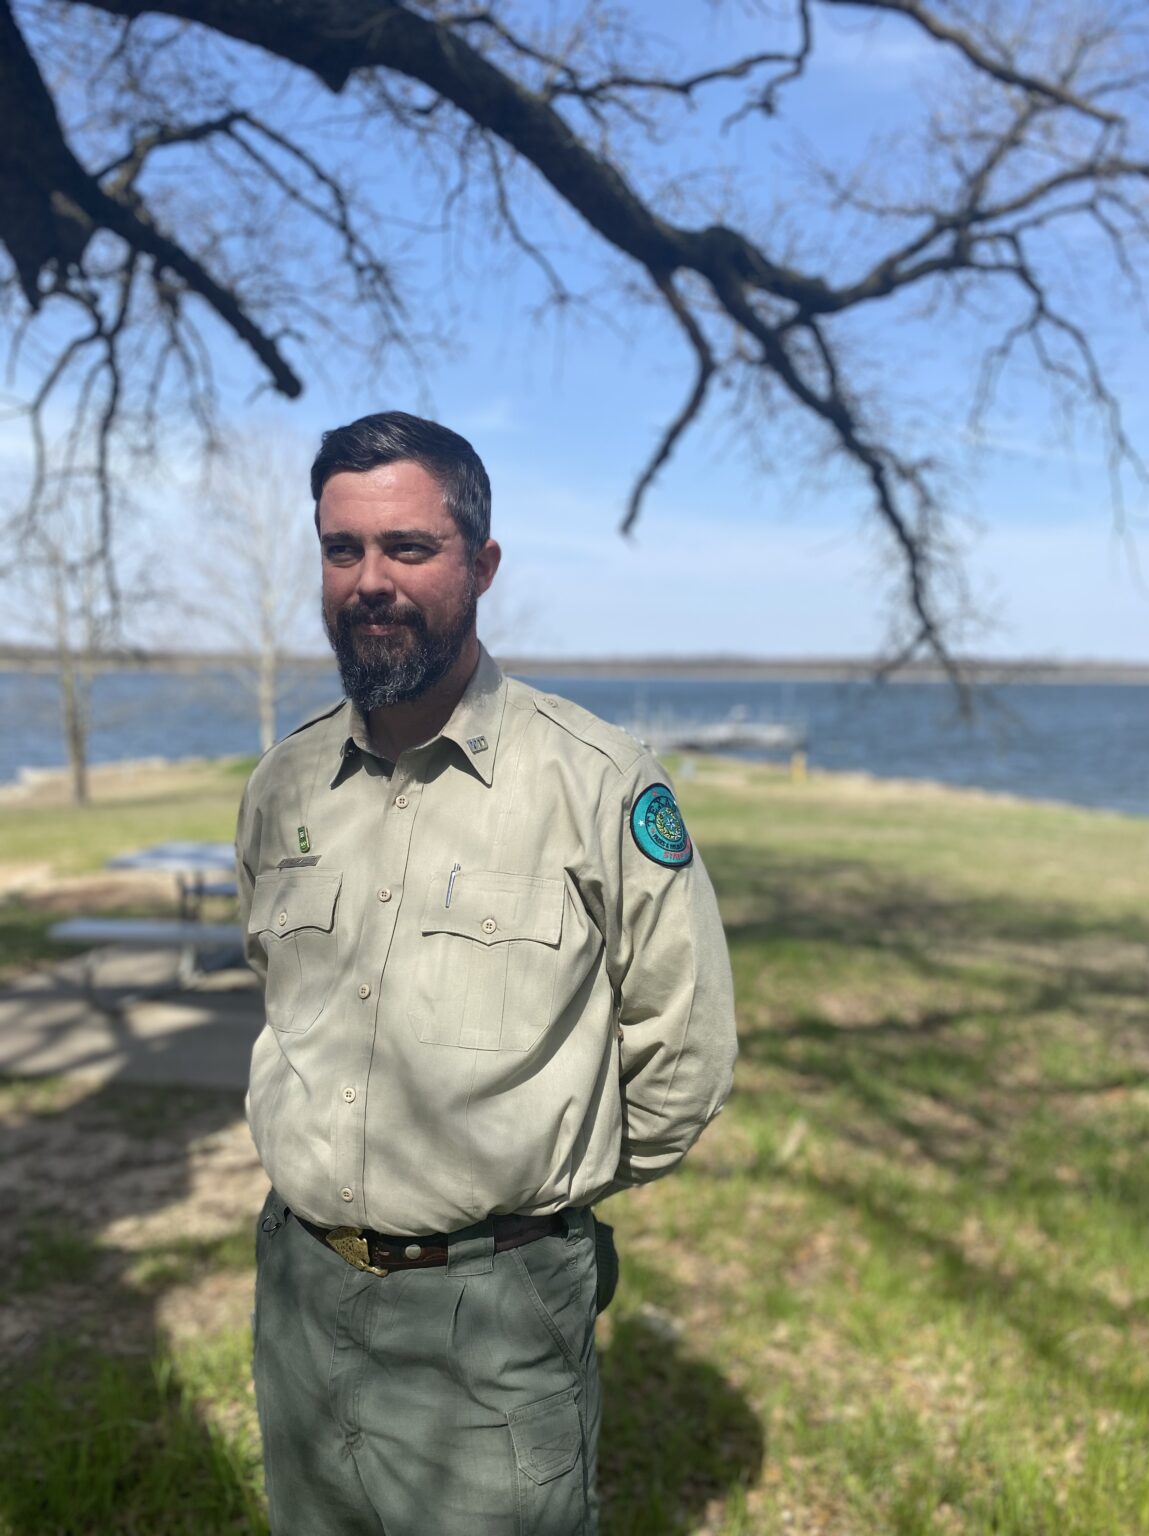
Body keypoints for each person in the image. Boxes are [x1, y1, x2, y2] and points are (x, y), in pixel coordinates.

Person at [236, 410, 737, 1535]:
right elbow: (276, 997)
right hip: (300, 1294)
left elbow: (686, 1053)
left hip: (494, 1315)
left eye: (408, 548)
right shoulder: (281, 787)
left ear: (481, 563)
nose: (371, 580)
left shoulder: (597, 784)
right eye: (342, 549)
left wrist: (542, 1222)